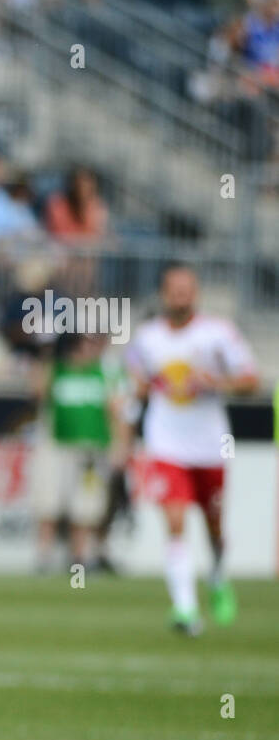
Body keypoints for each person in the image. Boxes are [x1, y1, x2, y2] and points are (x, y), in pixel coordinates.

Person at [125, 264, 258, 634]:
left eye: (187, 289)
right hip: (166, 443)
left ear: (195, 293)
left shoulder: (217, 333)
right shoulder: (147, 338)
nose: (180, 296)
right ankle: (185, 608)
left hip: (210, 444)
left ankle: (217, 577)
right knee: (175, 521)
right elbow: (135, 378)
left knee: (214, 526)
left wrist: (218, 381)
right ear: (164, 294)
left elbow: (252, 380)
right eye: (174, 290)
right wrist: (136, 392)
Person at [31, 332, 127, 572]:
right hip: (57, 444)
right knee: (48, 502)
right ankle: (44, 556)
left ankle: (79, 557)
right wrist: (49, 356)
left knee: (85, 506)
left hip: (92, 448)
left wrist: (120, 445)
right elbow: (38, 392)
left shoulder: (106, 373)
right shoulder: (57, 371)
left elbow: (117, 412)